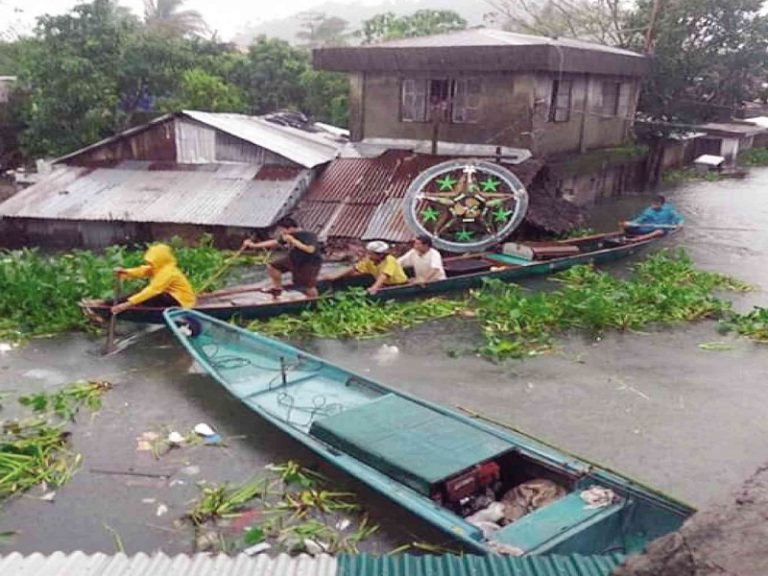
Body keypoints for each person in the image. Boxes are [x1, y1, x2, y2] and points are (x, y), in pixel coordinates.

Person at [241, 216, 322, 298]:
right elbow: (275, 242)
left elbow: (310, 250)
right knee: (273, 266)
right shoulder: (289, 235)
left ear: (290, 228)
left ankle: (314, 302)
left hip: (309, 262)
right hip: (293, 259)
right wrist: (254, 245)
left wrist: (293, 241)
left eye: (282, 230)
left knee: (307, 285)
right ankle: (277, 287)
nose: (281, 232)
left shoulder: (308, 235)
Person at [110, 243, 196, 314]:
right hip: (172, 297)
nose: (149, 263)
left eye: (152, 261)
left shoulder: (168, 272)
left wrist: (127, 304)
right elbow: (143, 271)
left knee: (150, 296)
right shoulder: (160, 267)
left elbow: (153, 290)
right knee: (141, 295)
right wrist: (125, 272)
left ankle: (118, 304)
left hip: (182, 301)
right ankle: (111, 303)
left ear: (160, 259)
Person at [331, 240, 408, 295]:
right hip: (385, 285)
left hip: (400, 285)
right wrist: (336, 276)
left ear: (380, 255)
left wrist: (374, 287)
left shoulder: (390, 260)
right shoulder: (369, 260)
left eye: (371, 253)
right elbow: (354, 269)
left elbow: (384, 275)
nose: (368, 255)